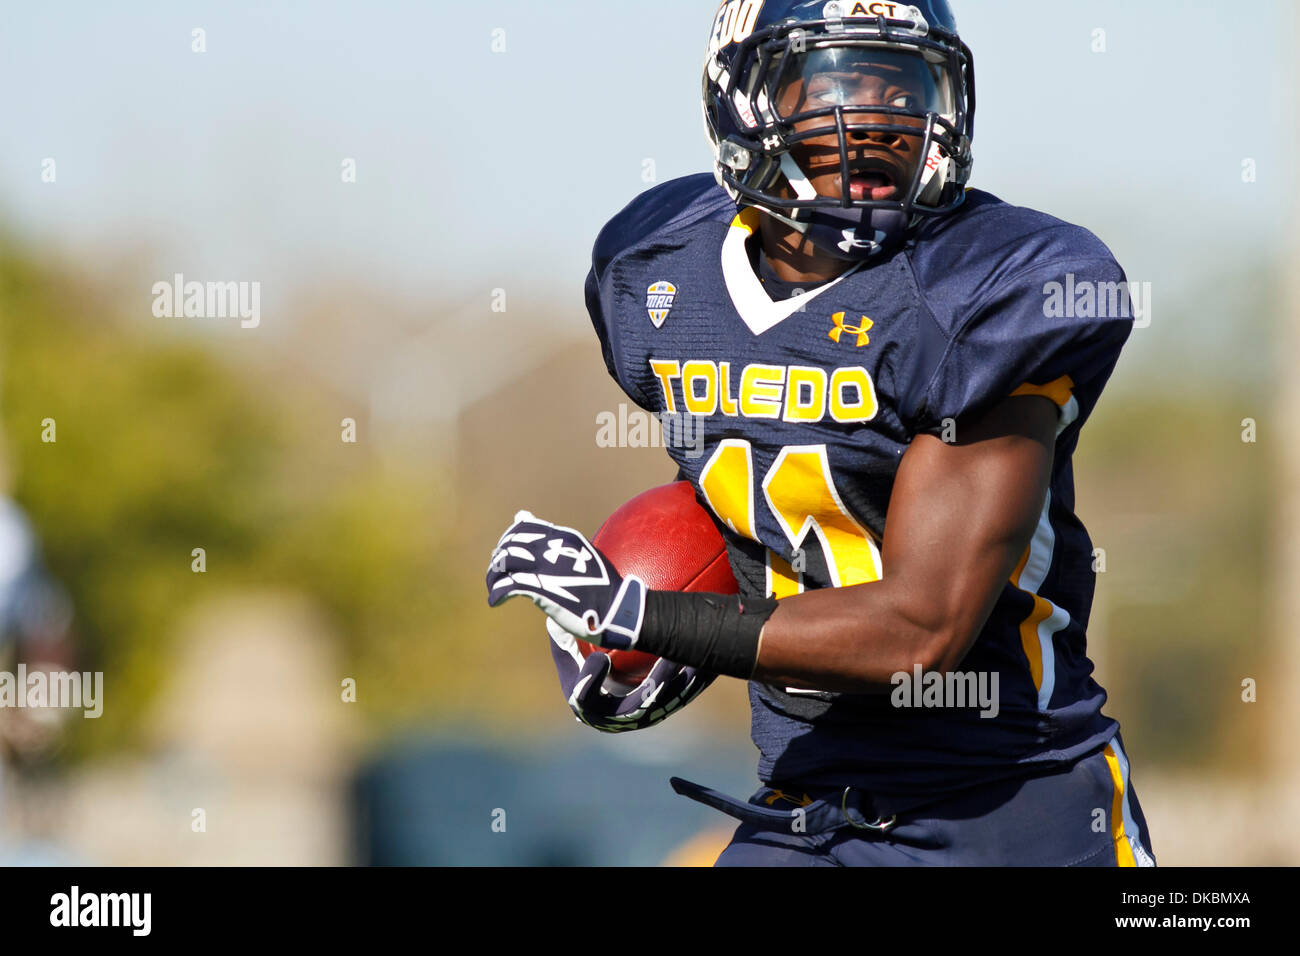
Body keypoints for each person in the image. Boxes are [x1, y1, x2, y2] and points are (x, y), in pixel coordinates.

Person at [487, 0, 1154, 866]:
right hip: (807, 798)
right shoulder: (654, 271)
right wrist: (633, 641)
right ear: (746, 102)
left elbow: (922, 630)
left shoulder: (988, 288)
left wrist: (646, 615)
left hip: (1008, 804)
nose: (874, 117)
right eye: (838, 82)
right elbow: (753, 490)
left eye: (900, 85)